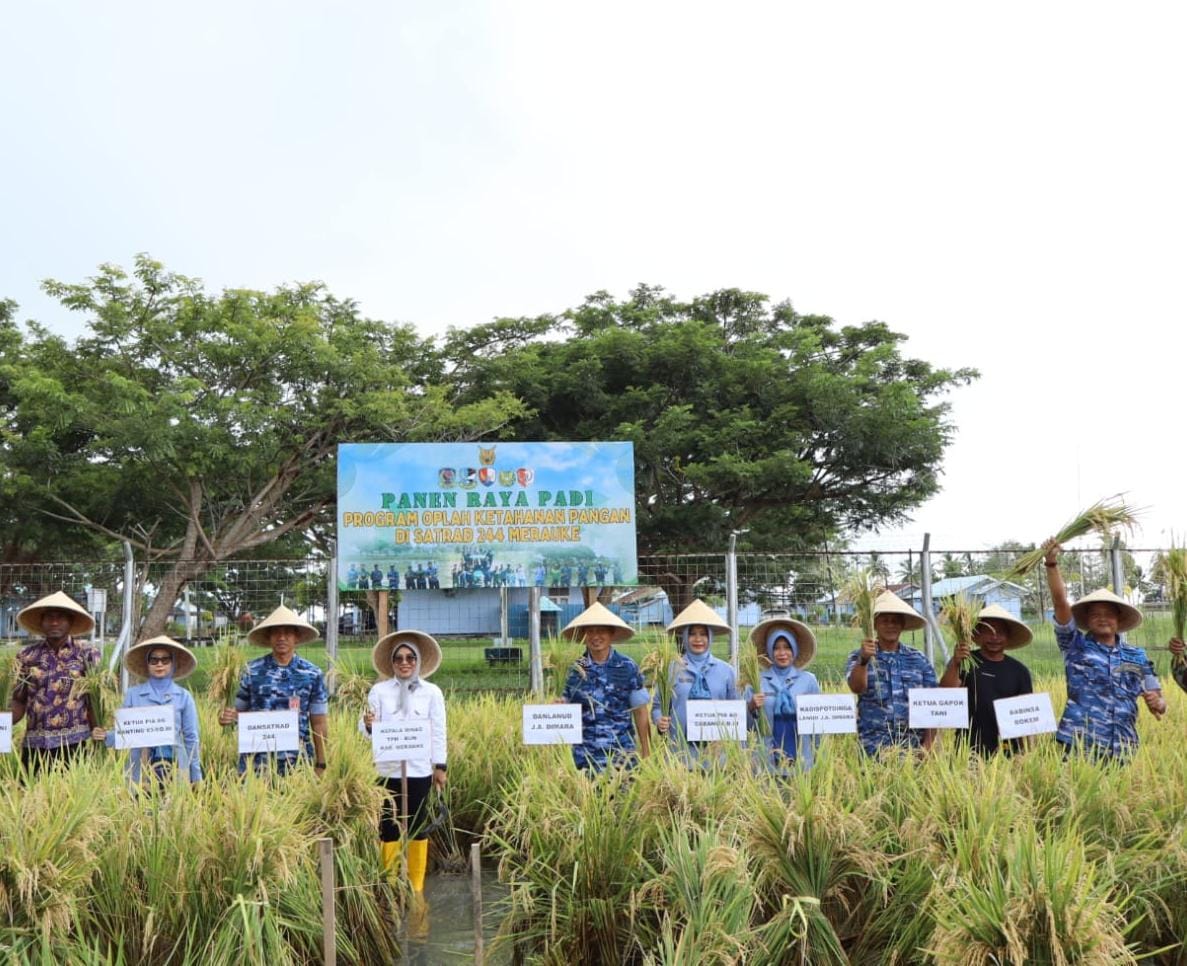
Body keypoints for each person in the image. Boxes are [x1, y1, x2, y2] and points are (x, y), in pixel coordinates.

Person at [1043, 541, 1165, 760]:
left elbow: (1157, 697)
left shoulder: (1136, 656)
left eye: (1108, 613)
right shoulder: (1075, 645)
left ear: (1118, 619)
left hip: (1123, 746)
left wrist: (1158, 703)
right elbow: (1061, 603)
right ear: (1087, 620)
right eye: (1095, 614)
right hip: (1078, 744)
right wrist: (1051, 564)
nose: (1102, 618)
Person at [361, 630, 447, 895]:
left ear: (418, 661)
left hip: (419, 770)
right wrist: (368, 725)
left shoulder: (432, 693)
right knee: (388, 825)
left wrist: (440, 766)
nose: (404, 662)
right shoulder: (379, 691)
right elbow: (365, 730)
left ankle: (416, 886)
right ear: (392, 662)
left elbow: (438, 730)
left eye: (410, 657)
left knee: (418, 825)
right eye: (398, 658)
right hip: (386, 770)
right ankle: (389, 884)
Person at [218, 605, 329, 775]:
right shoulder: (251, 671)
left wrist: (321, 763)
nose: (282, 637)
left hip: (298, 764)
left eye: (288, 632)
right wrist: (227, 717)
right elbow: (236, 711)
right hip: (256, 764)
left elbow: (319, 722)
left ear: (297, 637)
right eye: (276, 632)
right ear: (269, 637)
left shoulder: (312, 674)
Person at [92, 635, 202, 785]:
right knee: (139, 805)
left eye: (165, 660)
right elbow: (126, 732)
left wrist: (195, 775)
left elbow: (191, 738)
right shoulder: (133, 695)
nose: (159, 664)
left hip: (176, 766)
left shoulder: (184, 697)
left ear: (173, 664)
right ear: (147, 664)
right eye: (154, 660)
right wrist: (105, 736)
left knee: (173, 806)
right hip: (140, 767)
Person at [11, 591, 100, 772]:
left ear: (71, 621)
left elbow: (94, 700)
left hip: (74, 744)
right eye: (49, 618)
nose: (54, 622)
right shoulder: (27, 656)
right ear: (41, 622)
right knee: (32, 796)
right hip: (36, 744)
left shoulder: (87, 653)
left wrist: (98, 729)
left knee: (73, 797)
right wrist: (4, 723)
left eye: (60, 618)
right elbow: (19, 699)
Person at [561, 602, 650, 772]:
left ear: (611, 633)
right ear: (584, 636)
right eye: (591, 631)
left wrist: (646, 751)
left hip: (622, 757)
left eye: (601, 631)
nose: (596, 636)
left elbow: (640, 710)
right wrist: (557, 707)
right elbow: (565, 706)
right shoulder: (575, 669)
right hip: (584, 757)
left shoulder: (628, 667)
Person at [846, 590, 937, 756]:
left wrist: (928, 745)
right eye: (885, 621)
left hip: (912, 747)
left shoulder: (918, 659)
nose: (890, 625)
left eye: (895, 621)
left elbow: (932, 703)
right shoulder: (858, 656)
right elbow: (857, 687)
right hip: (872, 747)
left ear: (902, 625)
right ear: (874, 624)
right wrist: (864, 660)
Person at [938, 604, 1034, 755]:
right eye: (988, 631)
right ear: (978, 634)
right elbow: (944, 695)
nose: (994, 637)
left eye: (1000, 632)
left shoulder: (1019, 671)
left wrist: (1027, 753)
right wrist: (956, 663)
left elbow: (1026, 717)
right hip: (968, 746)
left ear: (1008, 637)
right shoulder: (964, 662)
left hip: (1007, 748)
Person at [651, 600, 737, 764]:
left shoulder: (726, 671)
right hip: (680, 753)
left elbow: (737, 710)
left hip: (717, 755)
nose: (698, 639)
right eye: (692, 634)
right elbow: (657, 706)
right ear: (684, 637)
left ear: (710, 637)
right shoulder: (670, 669)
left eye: (703, 634)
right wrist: (659, 719)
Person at [744, 614, 821, 770]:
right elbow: (746, 727)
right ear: (770, 652)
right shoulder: (756, 681)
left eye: (787, 647)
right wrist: (750, 707)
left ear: (794, 649)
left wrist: (818, 754)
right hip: (765, 760)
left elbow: (818, 722)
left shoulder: (808, 681)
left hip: (801, 760)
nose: (782, 653)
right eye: (776, 648)